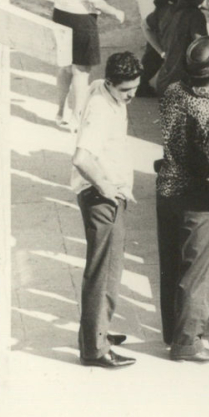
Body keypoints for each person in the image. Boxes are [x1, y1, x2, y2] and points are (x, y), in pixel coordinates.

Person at [155, 37, 209, 361]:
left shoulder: (174, 91)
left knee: (172, 267)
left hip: (167, 188)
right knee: (197, 275)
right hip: (200, 200)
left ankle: (173, 333)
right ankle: (187, 343)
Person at [71, 52, 142, 368]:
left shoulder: (103, 88)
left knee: (107, 270)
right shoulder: (101, 109)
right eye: (126, 90)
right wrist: (106, 187)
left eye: (135, 87)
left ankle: (96, 333)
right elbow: (82, 158)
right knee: (105, 274)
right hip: (102, 200)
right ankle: (95, 348)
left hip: (105, 196)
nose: (132, 95)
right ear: (111, 83)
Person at [51, 0, 127, 130]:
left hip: (60, 16)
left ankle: (60, 111)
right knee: (81, 72)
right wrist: (116, 12)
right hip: (82, 21)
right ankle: (77, 118)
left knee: (65, 68)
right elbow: (96, 1)